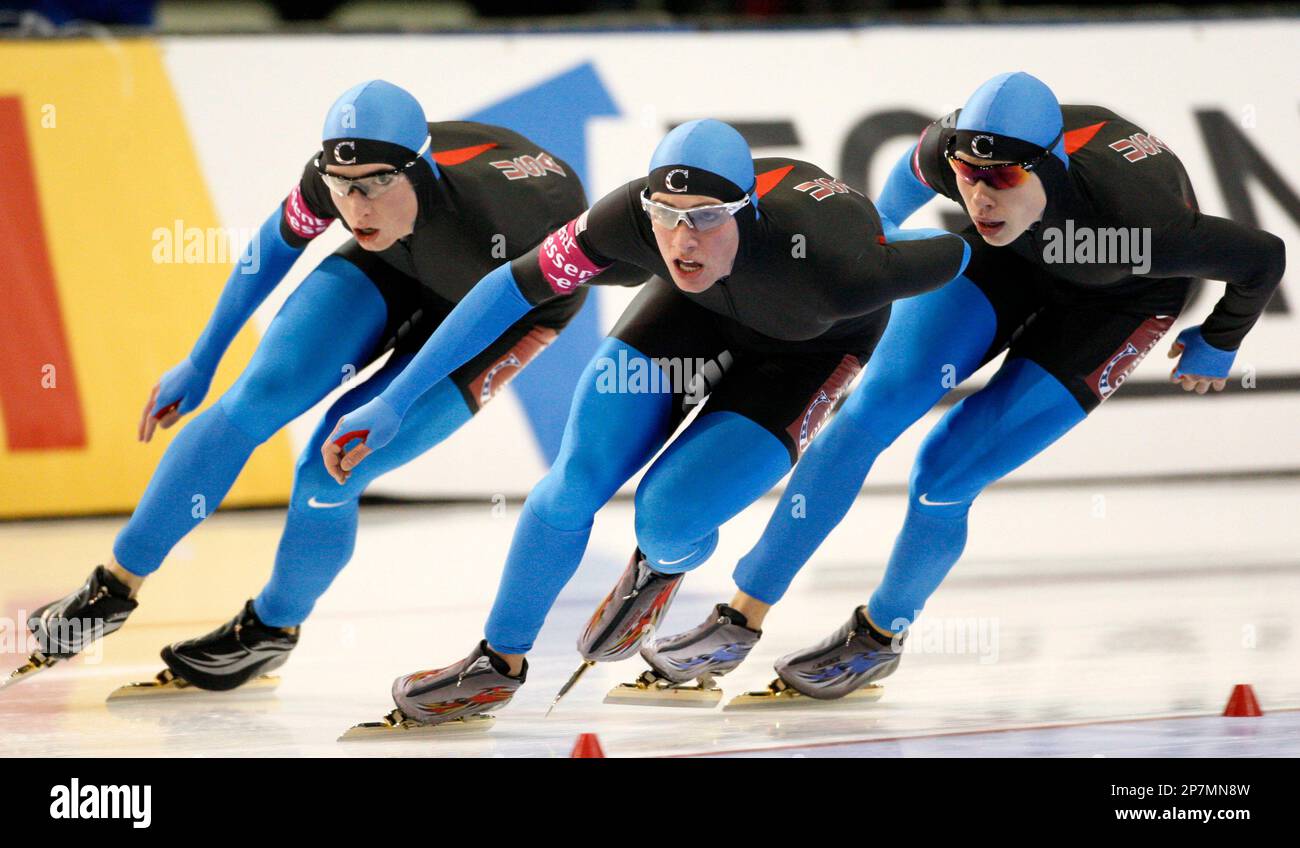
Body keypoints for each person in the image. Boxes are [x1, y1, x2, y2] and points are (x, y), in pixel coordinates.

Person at [637, 72, 1286, 704]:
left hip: (1117, 301)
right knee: (863, 416)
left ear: (1049, 165)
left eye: (1001, 176)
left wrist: (1220, 339)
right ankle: (739, 619)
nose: (978, 192)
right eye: (969, 174)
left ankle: (880, 633)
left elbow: (1263, 256)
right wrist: (875, 241)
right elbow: (895, 197)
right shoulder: (958, 155)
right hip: (1010, 255)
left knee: (945, 472)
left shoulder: (1143, 223)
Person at [329, 118, 971, 725]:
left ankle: (660, 566)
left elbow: (957, 251)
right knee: (572, 483)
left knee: (666, 518)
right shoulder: (627, 217)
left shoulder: (846, 266)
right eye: (666, 216)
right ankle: (496, 663)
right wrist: (395, 400)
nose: (682, 238)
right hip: (686, 314)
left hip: (807, 353)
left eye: (706, 220)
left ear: (744, 213)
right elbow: (509, 288)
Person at [14, 80, 626, 693]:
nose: (355, 206)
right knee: (249, 403)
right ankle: (112, 588)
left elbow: (497, 306)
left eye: (374, 185)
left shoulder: (521, 211)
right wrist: (202, 358)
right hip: (396, 265)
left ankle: (270, 630)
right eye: (342, 187)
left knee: (329, 468)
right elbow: (271, 249)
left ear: (420, 170)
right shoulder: (343, 177)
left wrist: (394, 399)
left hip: (504, 311)